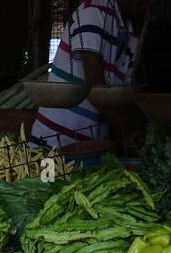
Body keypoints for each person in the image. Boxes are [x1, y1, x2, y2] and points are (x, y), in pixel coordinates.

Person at [29, 0, 149, 149]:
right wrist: (126, 134)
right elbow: (96, 88)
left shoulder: (131, 36)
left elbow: (119, 98)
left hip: (92, 145)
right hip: (55, 141)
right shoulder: (92, 12)